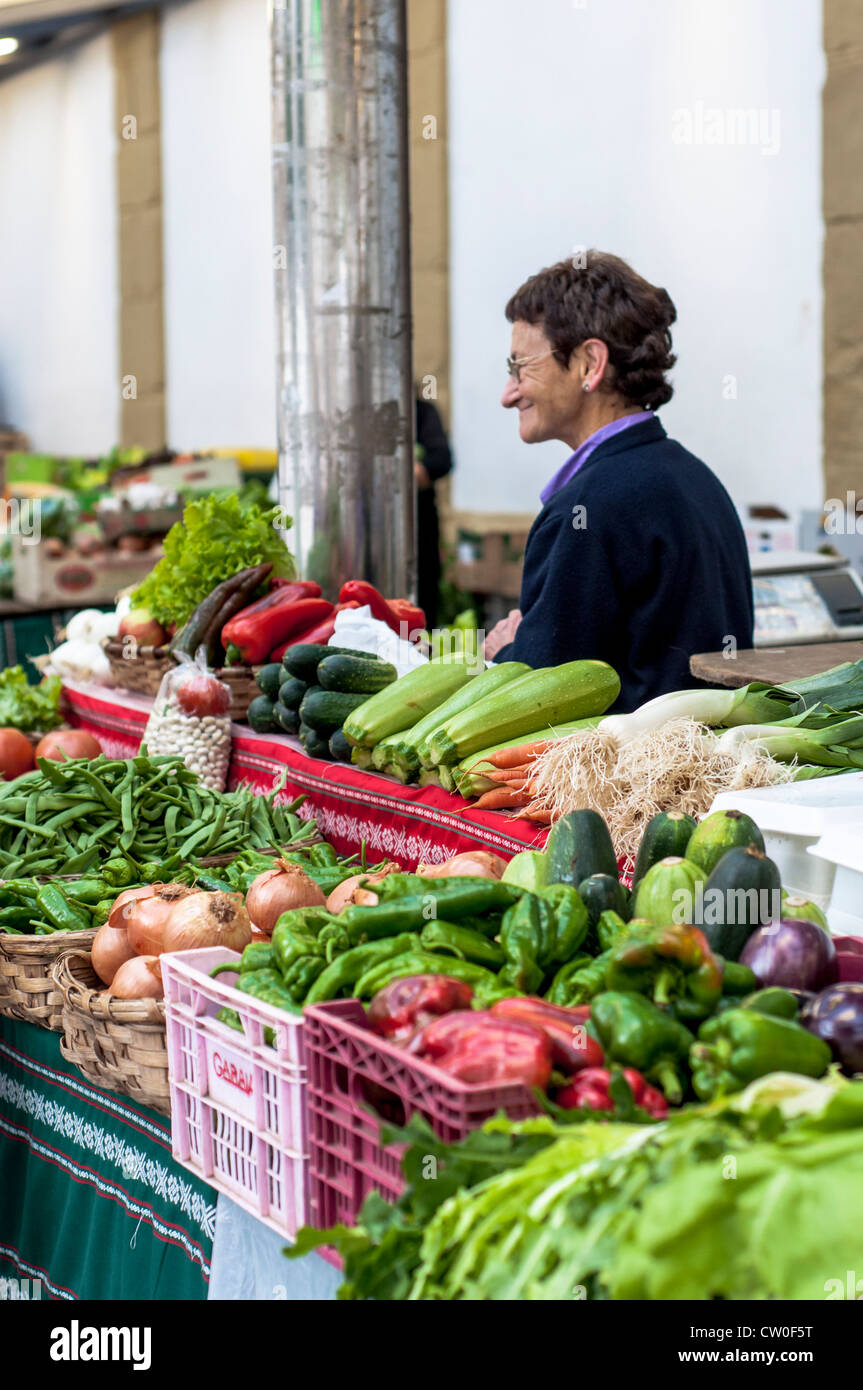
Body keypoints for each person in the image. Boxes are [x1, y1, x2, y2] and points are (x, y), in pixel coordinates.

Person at [485, 251, 754, 711]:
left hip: (624, 779)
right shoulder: (697, 478)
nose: (508, 393)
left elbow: (540, 704)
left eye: (520, 367)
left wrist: (506, 653)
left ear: (590, 363)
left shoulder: (588, 507)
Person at [415, 395, 453, 630]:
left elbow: (442, 460)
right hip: (367, 532)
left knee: (423, 599)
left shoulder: (422, 411)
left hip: (420, 527)